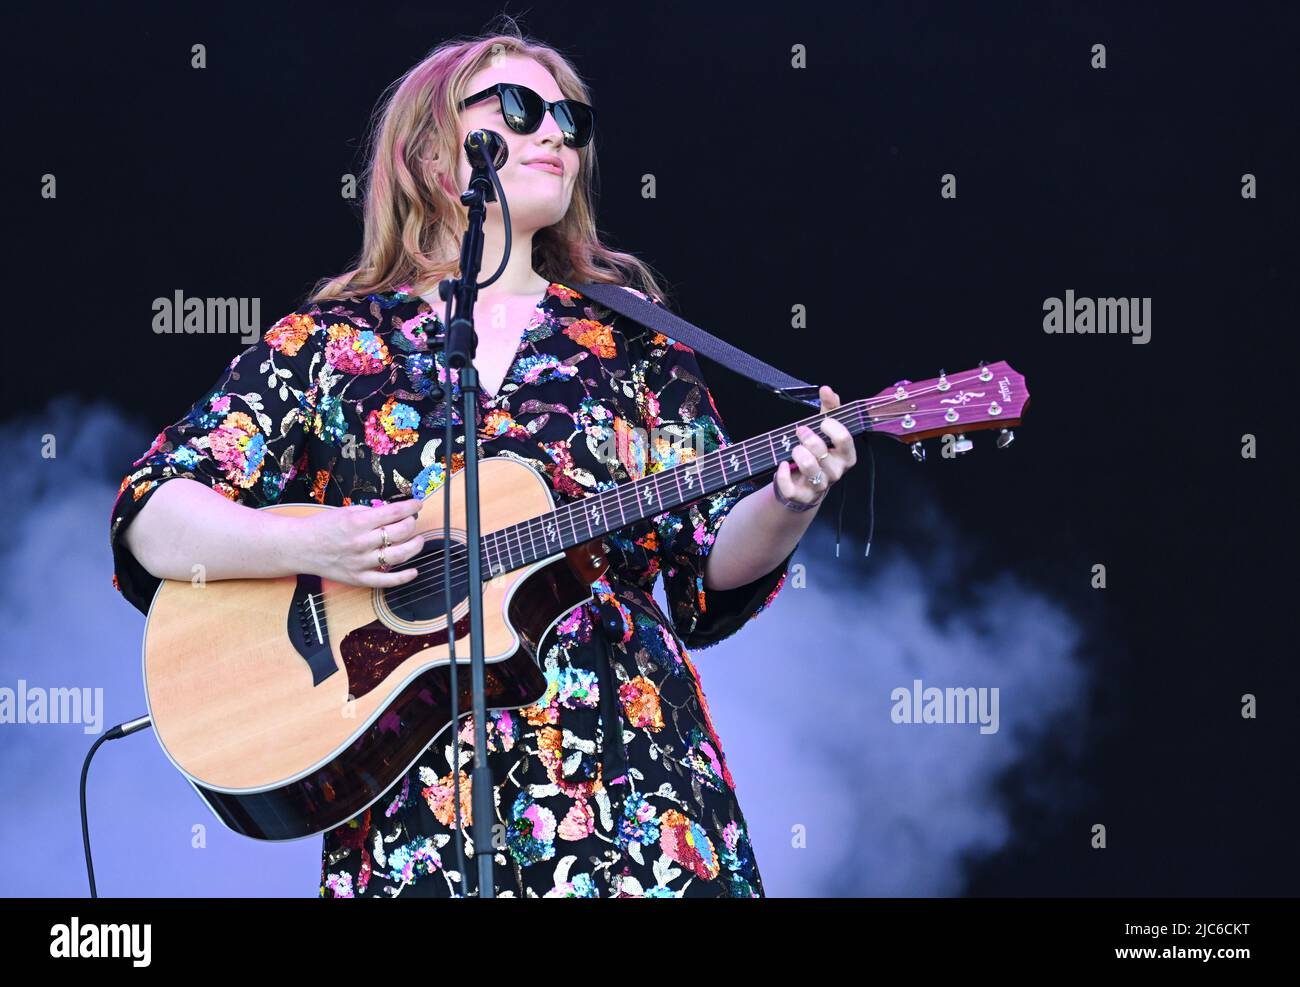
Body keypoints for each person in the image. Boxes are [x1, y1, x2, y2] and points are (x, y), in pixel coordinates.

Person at [108, 20, 857, 898]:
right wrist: (316, 548)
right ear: (432, 152)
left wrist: (792, 499)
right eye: (519, 106)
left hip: (626, 784)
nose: (554, 133)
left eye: (570, 121)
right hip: (413, 804)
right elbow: (155, 514)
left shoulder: (629, 340)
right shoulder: (327, 346)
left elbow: (705, 568)